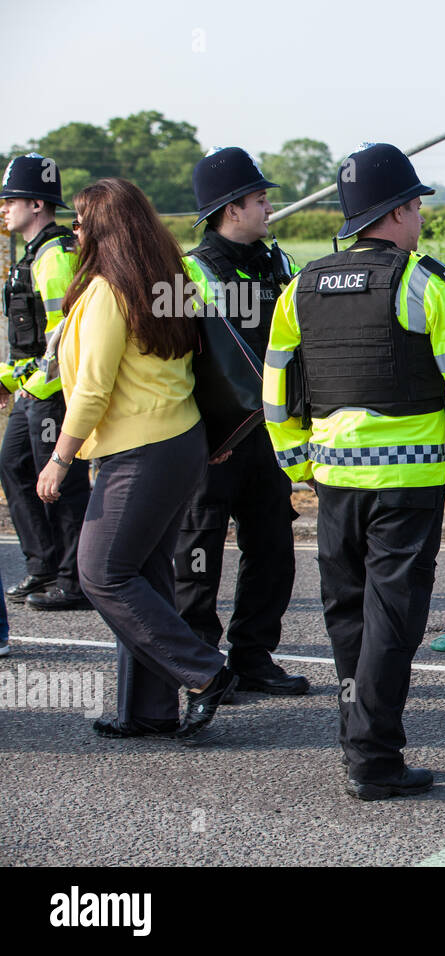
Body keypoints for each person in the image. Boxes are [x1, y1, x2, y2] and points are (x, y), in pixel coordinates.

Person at [263, 143, 445, 800]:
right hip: (406, 486)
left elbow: (277, 388)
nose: (421, 213)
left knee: (348, 615)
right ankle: (373, 757)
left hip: (333, 482)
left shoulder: (301, 286)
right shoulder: (427, 282)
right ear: (396, 210)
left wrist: (295, 464)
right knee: (393, 621)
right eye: (417, 203)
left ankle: (355, 739)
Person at [37, 177, 235, 739]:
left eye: (78, 223)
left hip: (140, 449)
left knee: (101, 573)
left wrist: (59, 458)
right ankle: (148, 711)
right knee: (145, 571)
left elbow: (93, 390)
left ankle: (204, 671)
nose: (71, 232)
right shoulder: (163, 281)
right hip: (178, 442)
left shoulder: (106, 291)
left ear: (100, 228)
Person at [175, 147, 307, 698]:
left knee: (272, 551)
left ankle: (254, 656)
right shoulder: (189, 272)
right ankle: (199, 665)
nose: (268, 206)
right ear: (232, 208)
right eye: (259, 198)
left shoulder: (280, 264)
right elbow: (177, 363)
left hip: (269, 438)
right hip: (213, 442)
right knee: (197, 556)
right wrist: (203, 436)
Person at [1, 153, 92, 611]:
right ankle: (42, 567)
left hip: (52, 395)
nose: (4, 209)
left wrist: (37, 385)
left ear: (38, 204)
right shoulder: (33, 254)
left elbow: (62, 341)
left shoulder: (55, 256)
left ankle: (74, 579)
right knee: (14, 466)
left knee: (62, 483)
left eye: (11, 200)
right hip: (31, 391)